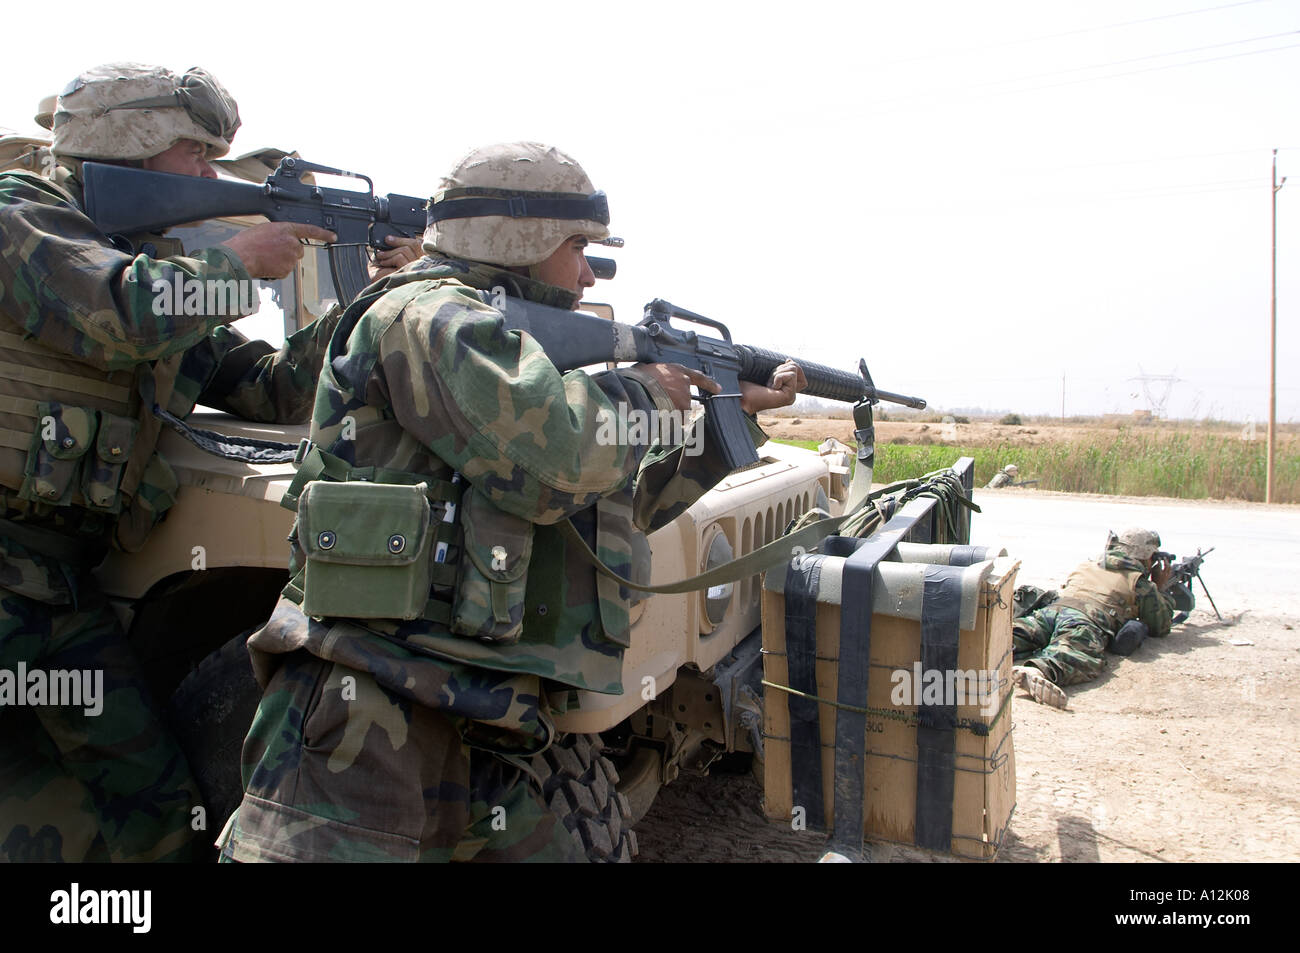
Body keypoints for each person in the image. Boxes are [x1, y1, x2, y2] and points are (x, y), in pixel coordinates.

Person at [218, 141, 805, 863]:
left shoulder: (509, 350)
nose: (588, 272)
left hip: (487, 718)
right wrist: (648, 388)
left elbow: (600, 511)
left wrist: (732, 422)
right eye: (577, 247)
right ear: (517, 239)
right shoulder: (429, 317)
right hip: (372, 708)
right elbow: (557, 460)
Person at [0, 62, 352, 862]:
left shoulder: (148, 261)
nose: (210, 175)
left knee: (156, 813)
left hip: (55, 589)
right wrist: (239, 263)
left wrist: (365, 300)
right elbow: (115, 311)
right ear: (131, 142)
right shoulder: (20, 216)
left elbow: (268, 391)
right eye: (196, 152)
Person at [1011, 526, 1175, 709]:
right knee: (1075, 651)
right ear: (1147, 557)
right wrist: (1161, 589)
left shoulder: (1088, 565)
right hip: (1086, 620)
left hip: (1051, 610)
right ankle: (1039, 670)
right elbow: (1160, 626)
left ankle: (985, 652)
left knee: (1017, 633)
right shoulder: (1140, 584)